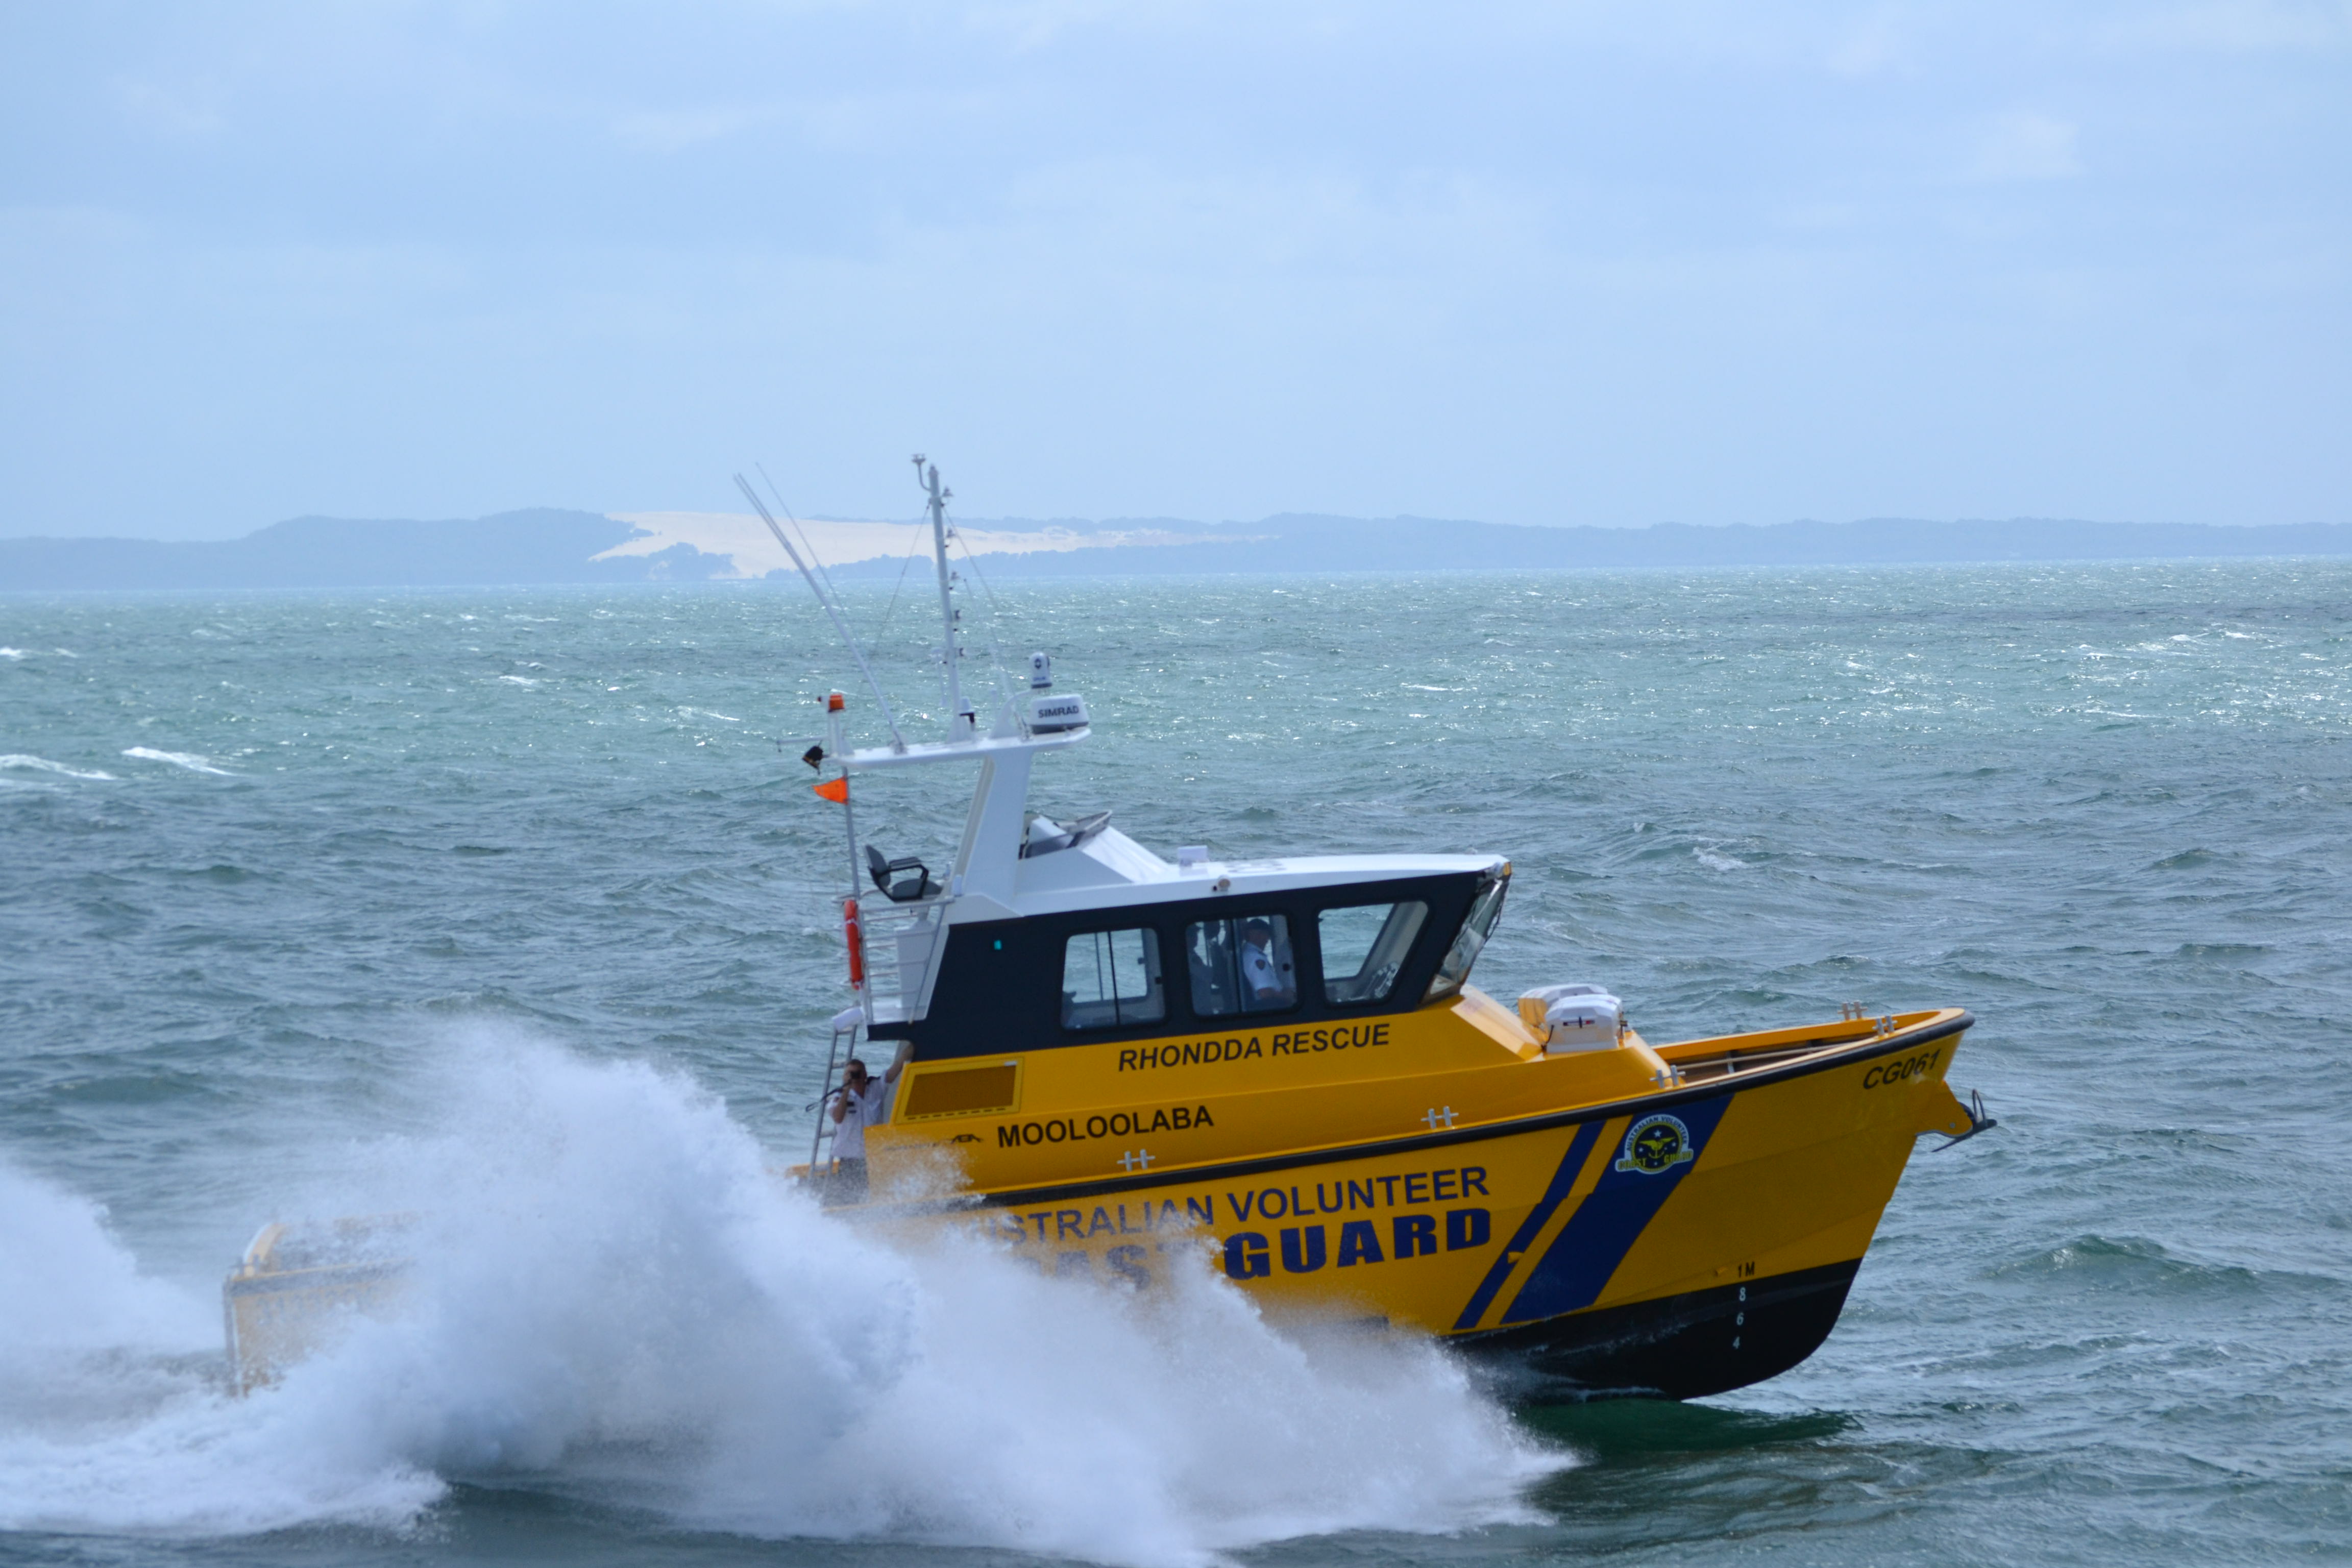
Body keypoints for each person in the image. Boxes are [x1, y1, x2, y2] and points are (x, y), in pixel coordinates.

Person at [826, 1043, 908, 1204]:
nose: (855, 1076)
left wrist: (909, 1049)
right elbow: (838, 1118)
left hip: (873, 1157)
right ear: (845, 1076)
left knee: (874, 1197)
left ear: (865, 1074)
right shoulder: (838, 1097)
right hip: (850, 1158)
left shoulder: (876, 1087)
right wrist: (846, 1090)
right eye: (850, 1073)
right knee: (850, 1199)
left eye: (858, 1073)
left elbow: (895, 1070)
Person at [1239, 918, 1291, 1007]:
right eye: (1266, 934)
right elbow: (1265, 993)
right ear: (1255, 934)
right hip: (1273, 1006)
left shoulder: (1248, 953)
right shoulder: (1255, 958)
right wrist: (1288, 997)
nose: (1267, 940)